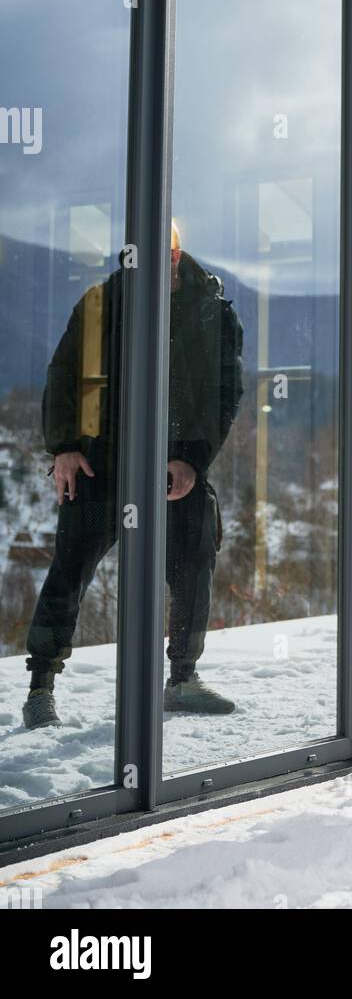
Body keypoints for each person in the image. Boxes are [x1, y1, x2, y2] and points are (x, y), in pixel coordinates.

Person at [22, 220, 244, 729]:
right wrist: (64, 450)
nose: (156, 262)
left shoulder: (212, 309)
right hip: (99, 462)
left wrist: (192, 459)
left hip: (174, 466)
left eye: (165, 253)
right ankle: (40, 688)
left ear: (177, 252)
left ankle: (183, 679)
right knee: (69, 572)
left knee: (195, 559)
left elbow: (225, 392)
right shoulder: (100, 304)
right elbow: (62, 377)